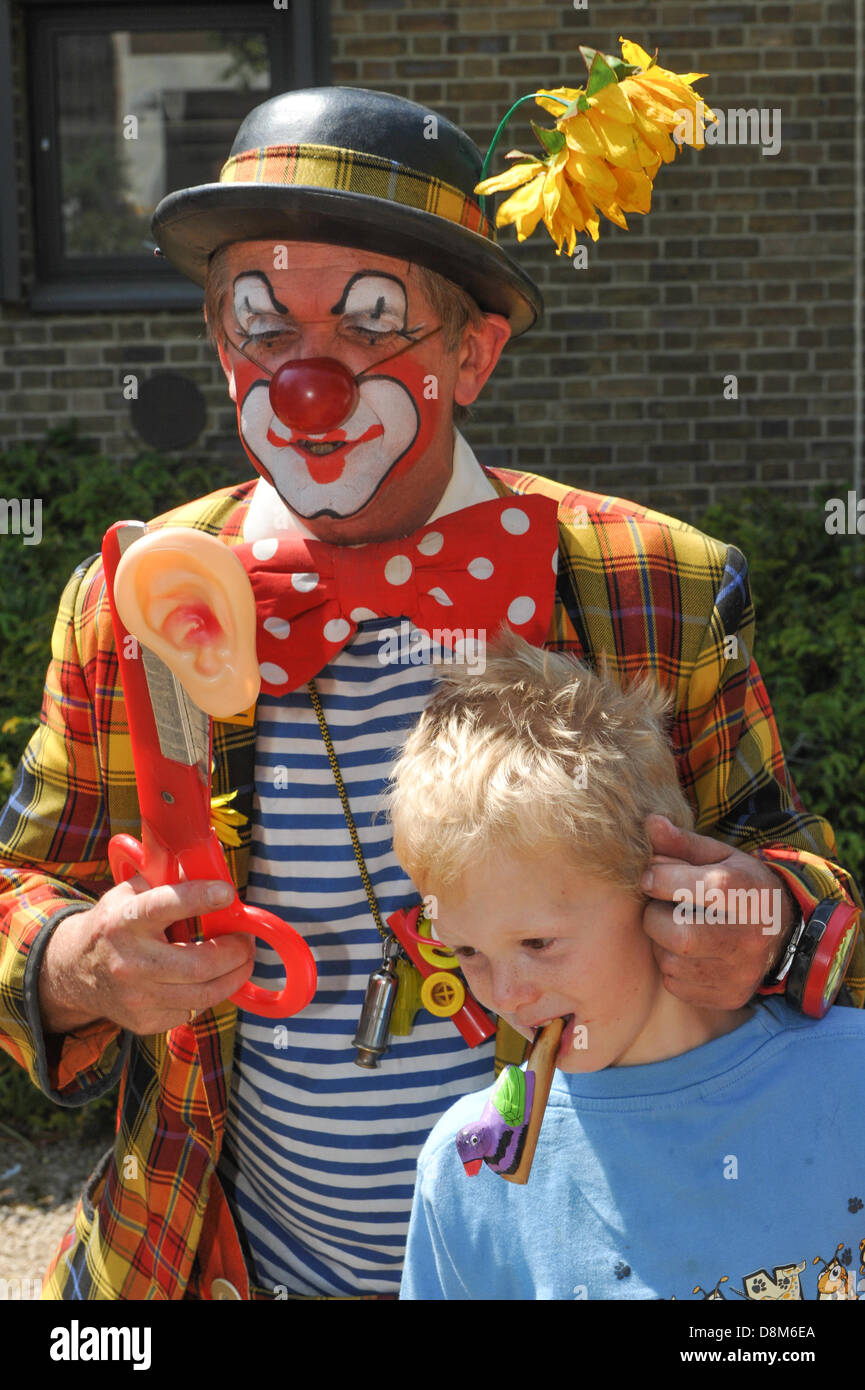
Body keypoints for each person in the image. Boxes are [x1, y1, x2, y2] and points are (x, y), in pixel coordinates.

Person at [0, 80, 861, 1302]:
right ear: (215, 340)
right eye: (262, 326)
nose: (309, 380)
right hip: (206, 1265)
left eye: (365, 327)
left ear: (471, 353)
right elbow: (21, 880)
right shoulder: (144, 594)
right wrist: (80, 962)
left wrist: (761, 921)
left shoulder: (650, 584)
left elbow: (801, 874)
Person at [391, 632, 865, 1301]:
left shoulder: (851, 1082)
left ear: (662, 882)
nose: (506, 994)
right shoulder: (467, 1169)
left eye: (537, 944)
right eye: (466, 951)